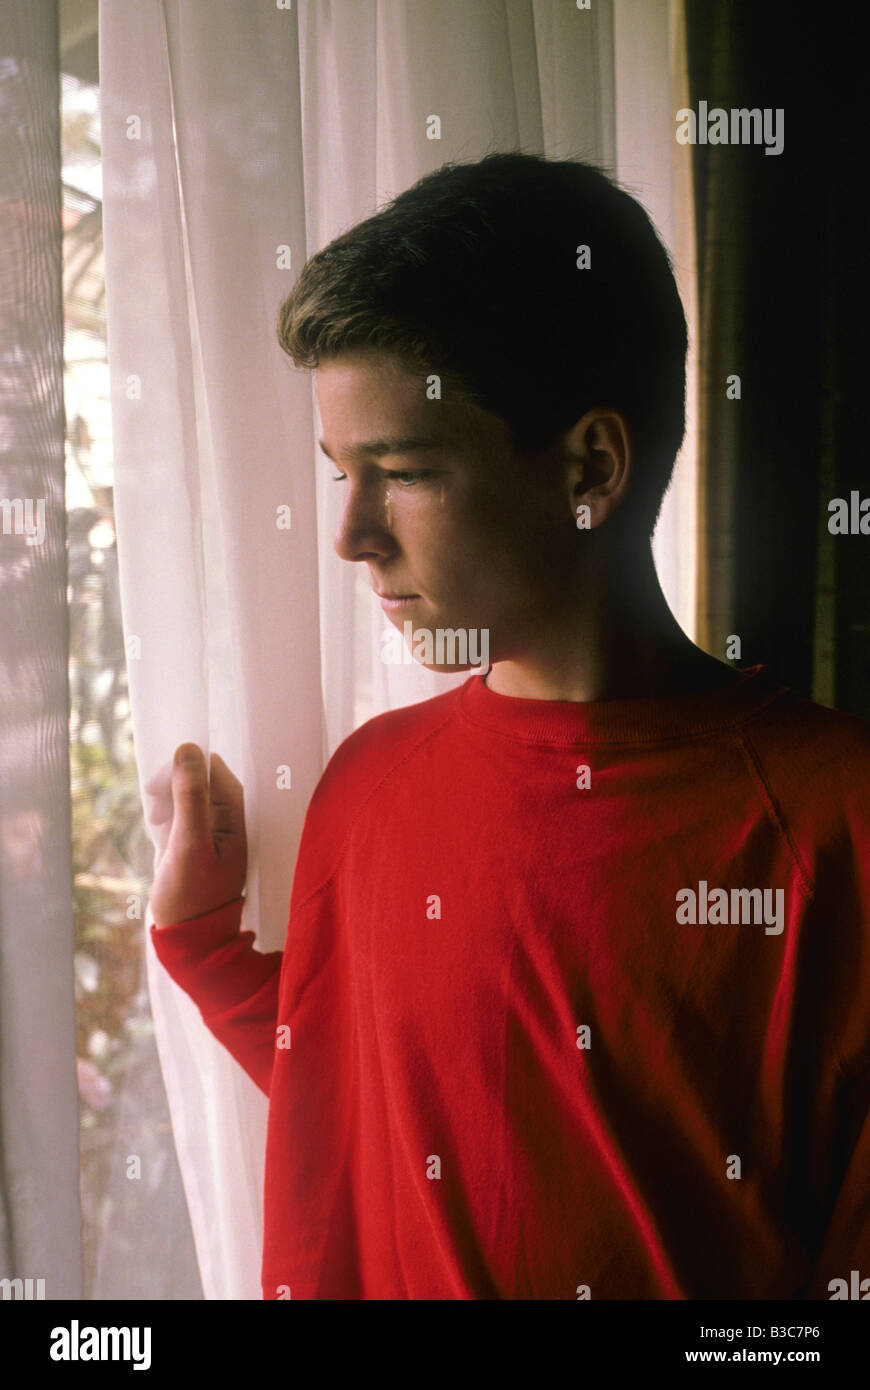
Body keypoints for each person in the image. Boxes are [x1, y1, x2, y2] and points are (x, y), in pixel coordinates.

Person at [146, 152, 870, 1300]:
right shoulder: (368, 788)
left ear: (589, 465)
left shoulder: (838, 824)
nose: (351, 536)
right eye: (340, 472)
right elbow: (399, 1125)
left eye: (403, 472)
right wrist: (206, 950)